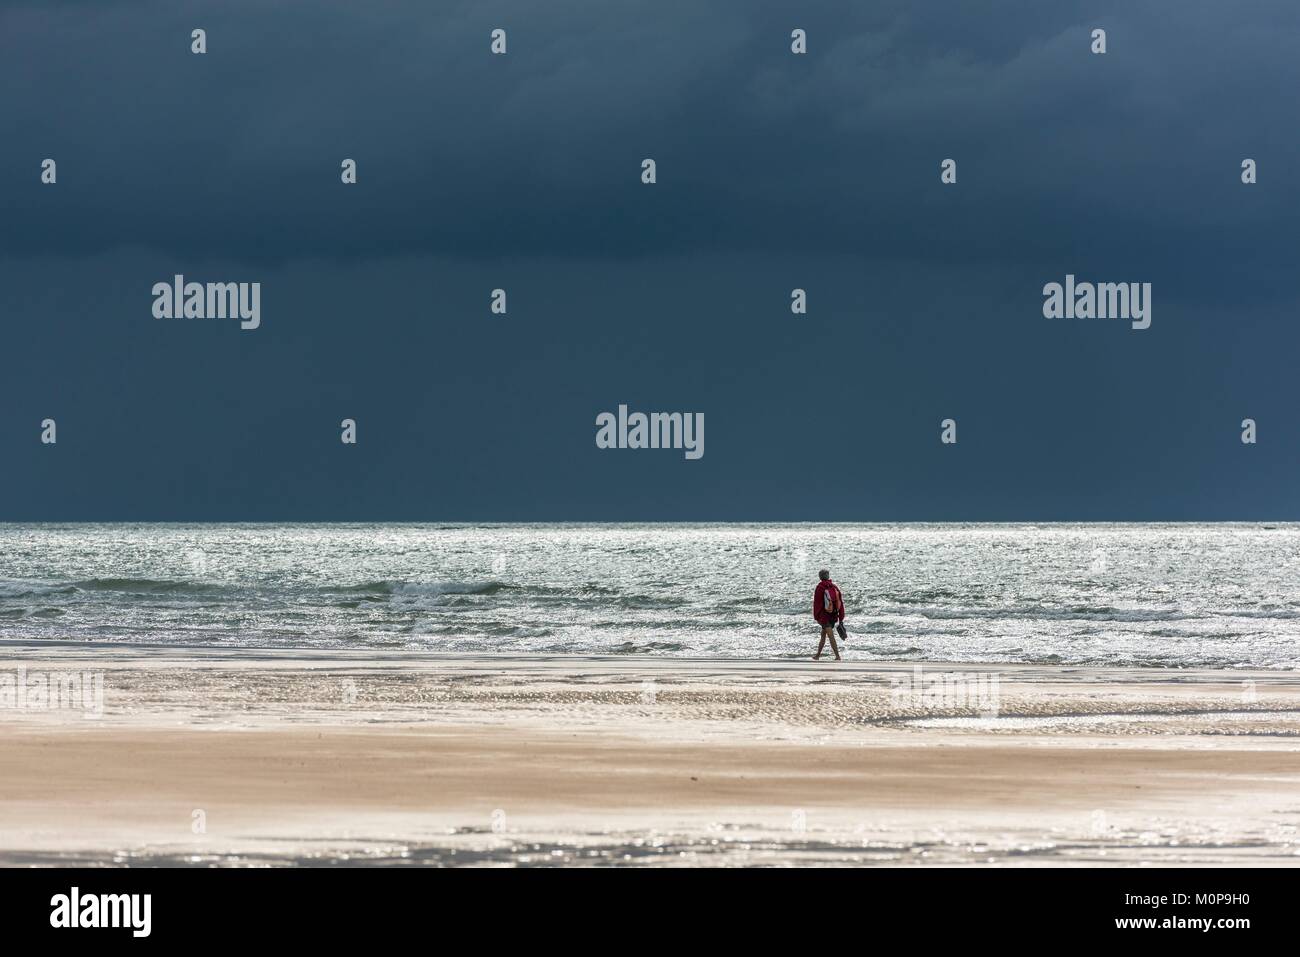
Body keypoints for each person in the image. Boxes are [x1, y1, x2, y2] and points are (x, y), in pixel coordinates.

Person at [812, 568, 845, 661]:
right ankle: (817, 655)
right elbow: (841, 603)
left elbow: (817, 603)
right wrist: (841, 617)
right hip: (833, 615)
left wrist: (816, 616)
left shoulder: (820, 587)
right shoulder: (834, 587)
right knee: (823, 635)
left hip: (824, 616)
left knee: (830, 636)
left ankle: (838, 656)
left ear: (820, 577)